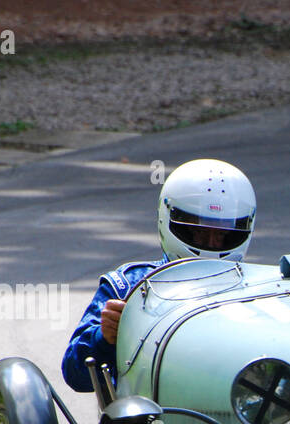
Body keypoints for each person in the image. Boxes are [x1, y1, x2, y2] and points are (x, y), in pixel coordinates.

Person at [60, 158, 258, 392]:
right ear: (170, 219)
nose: (211, 243)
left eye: (223, 235)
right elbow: (75, 375)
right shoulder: (126, 287)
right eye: (199, 233)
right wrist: (104, 339)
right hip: (145, 418)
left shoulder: (261, 291)